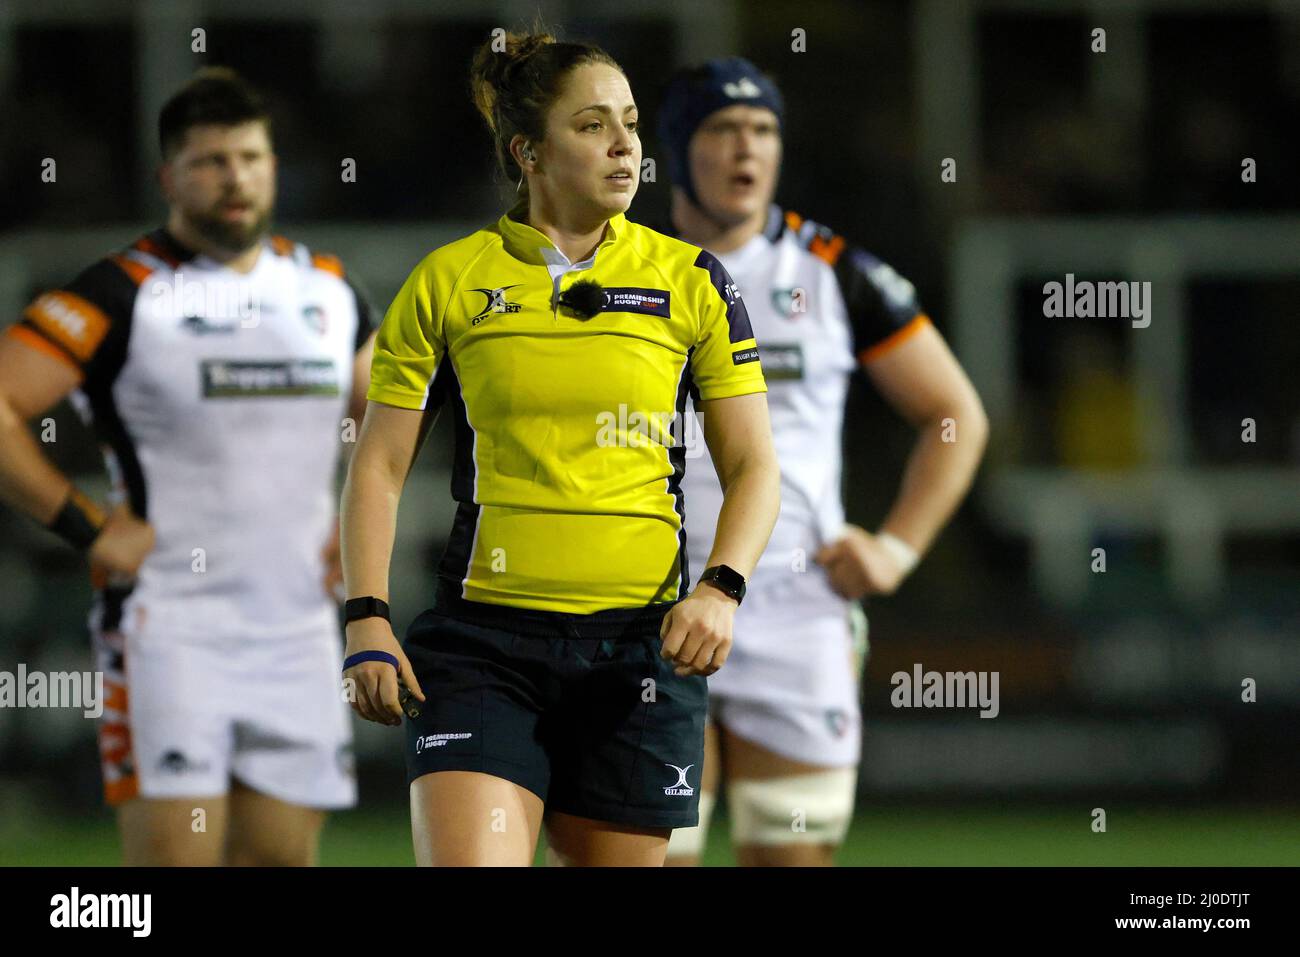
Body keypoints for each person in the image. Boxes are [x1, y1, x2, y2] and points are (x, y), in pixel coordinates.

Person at [339, 30, 781, 867]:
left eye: (632, 123)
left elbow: (755, 465)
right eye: (592, 126)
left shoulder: (693, 280)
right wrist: (367, 616)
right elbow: (380, 464)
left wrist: (721, 588)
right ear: (528, 151)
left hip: (639, 655)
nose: (624, 147)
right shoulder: (447, 281)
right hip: (483, 651)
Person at [0, 67, 372, 865]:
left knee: (278, 860)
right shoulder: (123, 292)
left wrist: (364, 524)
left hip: (299, 628)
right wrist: (85, 522)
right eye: (210, 161)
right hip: (169, 627)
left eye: (250, 157)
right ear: (170, 176)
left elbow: (390, 420)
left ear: (273, 166)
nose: (234, 178)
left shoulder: (329, 292)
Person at [658, 58, 989, 866]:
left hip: (797, 610)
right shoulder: (622, 270)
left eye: (764, 130)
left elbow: (956, 415)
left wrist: (898, 547)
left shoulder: (836, 273)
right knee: (651, 857)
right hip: (651, 609)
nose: (748, 148)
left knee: (791, 856)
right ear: (675, 150)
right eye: (722, 129)